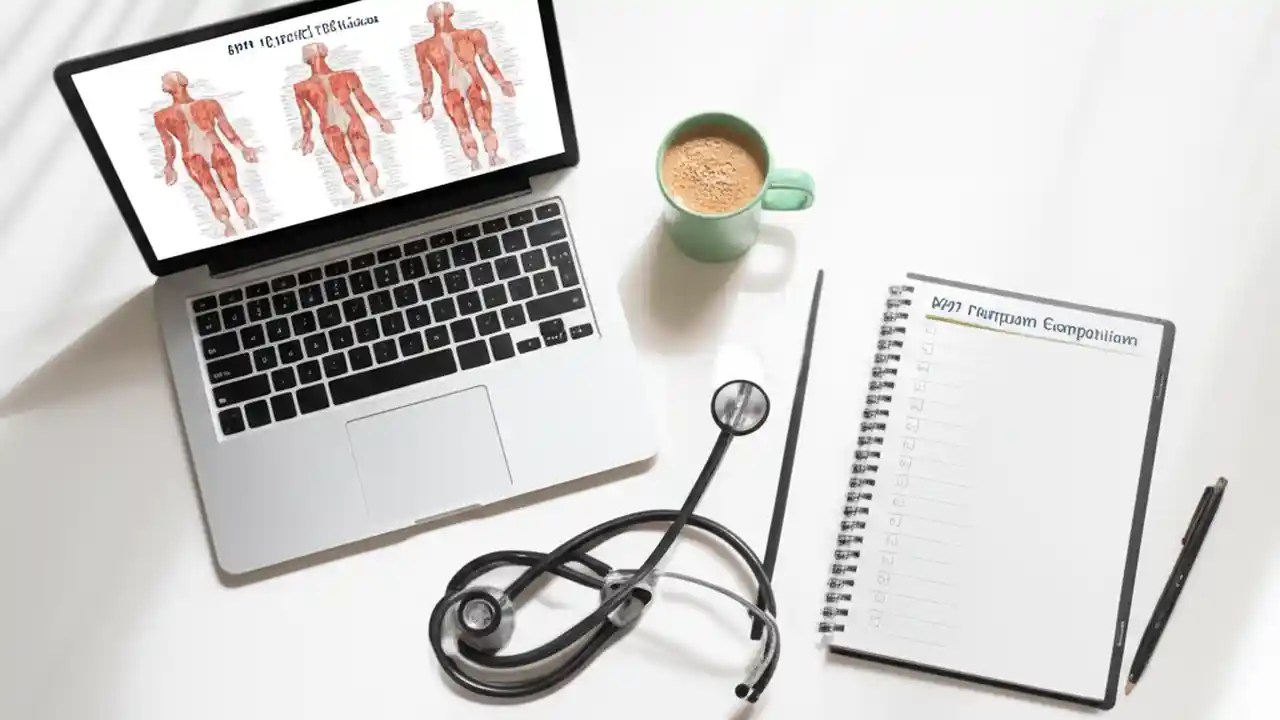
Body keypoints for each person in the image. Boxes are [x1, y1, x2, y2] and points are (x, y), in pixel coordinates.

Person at [154, 71, 258, 237]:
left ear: (170, 87)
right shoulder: (210, 104)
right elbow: (227, 131)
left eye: (164, 82)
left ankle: (230, 225)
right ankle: (245, 221)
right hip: (214, 149)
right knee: (233, 190)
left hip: (193, 155)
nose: (162, 85)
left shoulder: (162, 116)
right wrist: (243, 148)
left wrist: (169, 165)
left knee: (213, 194)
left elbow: (169, 144)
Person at [415, 2, 516, 170]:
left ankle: (488, 157)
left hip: (468, 84)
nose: (441, 18)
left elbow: (486, 59)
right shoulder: (424, 47)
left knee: (478, 125)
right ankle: (480, 160)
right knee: (465, 128)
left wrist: (501, 82)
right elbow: (426, 77)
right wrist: (426, 100)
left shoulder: (471, 35)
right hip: (455, 88)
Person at [293, 43, 395, 203]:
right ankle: (374, 187)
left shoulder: (301, 87)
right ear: (324, 53)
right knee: (363, 159)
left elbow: (306, 116)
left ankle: (359, 193)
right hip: (351, 120)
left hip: (330, 126)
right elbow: (364, 100)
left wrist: (307, 136)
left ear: (306, 59)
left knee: (345, 164)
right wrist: (380, 119)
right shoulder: (347, 76)